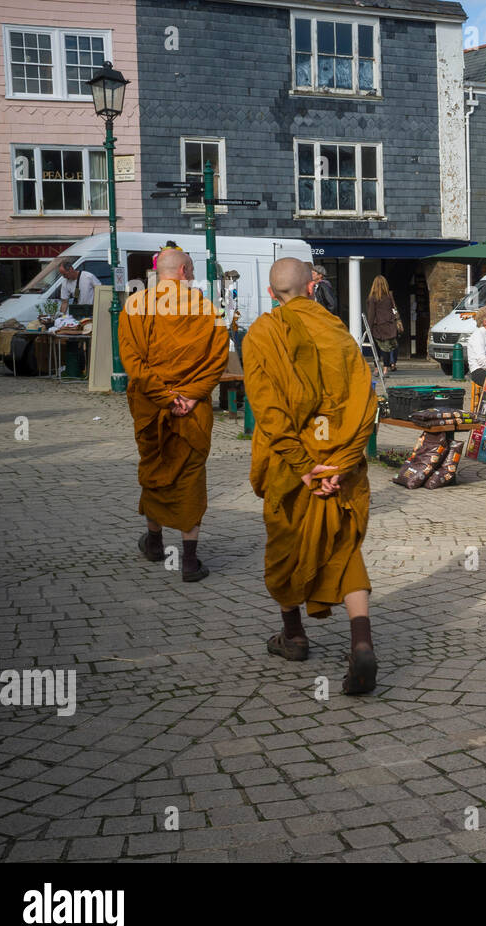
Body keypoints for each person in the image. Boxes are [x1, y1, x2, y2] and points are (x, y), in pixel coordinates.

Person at [242, 257, 379, 695]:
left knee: (285, 542)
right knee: (345, 546)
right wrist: (343, 459)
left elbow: (267, 409)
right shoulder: (338, 332)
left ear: (271, 294)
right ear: (311, 287)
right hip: (340, 460)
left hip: (292, 465)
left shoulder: (262, 333)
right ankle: (361, 642)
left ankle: (294, 635)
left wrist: (303, 466)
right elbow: (365, 400)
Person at [119, 249, 228, 583]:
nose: (193, 275)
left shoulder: (134, 306)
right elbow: (219, 359)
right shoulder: (211, 310)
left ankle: (154, 543)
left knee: (155, 467)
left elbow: (133, 362)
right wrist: (193, 395)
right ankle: (190, 562)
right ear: (183, 270)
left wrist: (164, 396)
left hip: (152, 407)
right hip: (193, 411)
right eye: (192, 270)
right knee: (191, 475)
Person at [366, 275, 400, 371]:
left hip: (378, 326)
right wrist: (395, 319)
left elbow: (371, 314)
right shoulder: (389, 296)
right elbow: (394, 309)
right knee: (387, 348)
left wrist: (369, 327)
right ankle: (386, 368)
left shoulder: (372, 298)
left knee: (376, 348)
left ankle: (377, 368)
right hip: (389, 324)